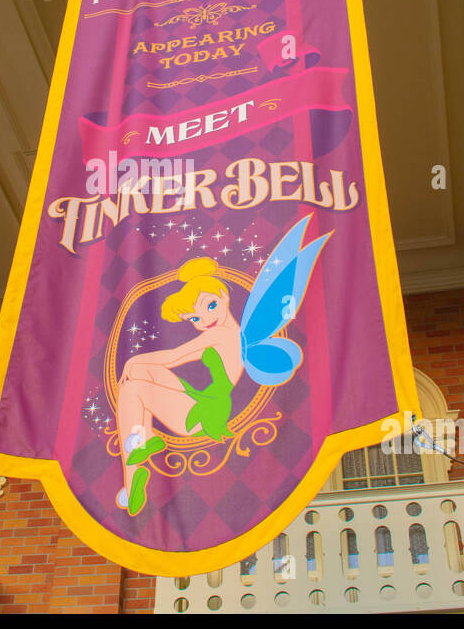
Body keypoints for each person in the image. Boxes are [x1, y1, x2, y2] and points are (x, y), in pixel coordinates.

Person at [114, 215, 330, 516]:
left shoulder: (218, 335)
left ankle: (131, 476)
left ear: (223, 295)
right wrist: (137, 366)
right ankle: (146, 438)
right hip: (204, 401)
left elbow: (174, 357)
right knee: (140, 375)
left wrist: (132, 361)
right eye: (195, 317)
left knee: (133, 387)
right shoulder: (234, 332)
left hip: (203, 414)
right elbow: (170, 362)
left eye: (209, 306)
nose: (204, 318)